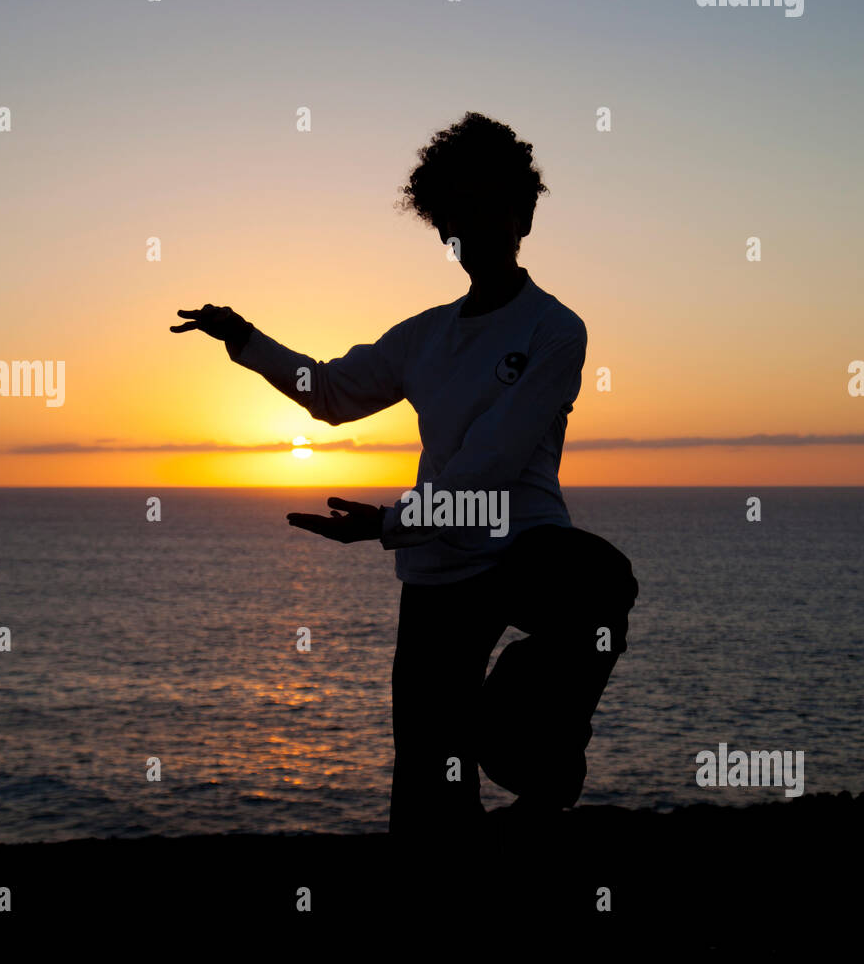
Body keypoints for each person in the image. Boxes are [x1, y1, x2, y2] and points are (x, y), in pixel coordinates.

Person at [171, 112, 638, 836]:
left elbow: (491, 463)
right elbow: (329, 392)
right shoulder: (424, 336)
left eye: (489, 206)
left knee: (602, 585)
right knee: (428, 790)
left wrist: (391, 524)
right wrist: (246, 339)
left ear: (524, 217)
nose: (473, 226)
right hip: (439, 573)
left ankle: (531, 756)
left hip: (525, 550)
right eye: (455, 213)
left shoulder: (554, 329)